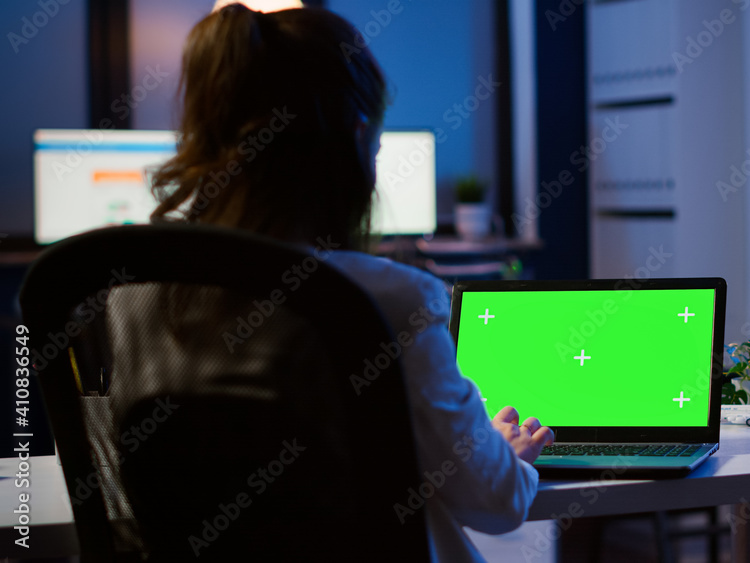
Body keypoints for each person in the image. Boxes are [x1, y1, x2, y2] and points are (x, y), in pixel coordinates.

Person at [147, 4, 554, 561]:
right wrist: (504, 457)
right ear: (359, 140)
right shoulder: (392, 298)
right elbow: (495, 502)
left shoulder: (136, 300)